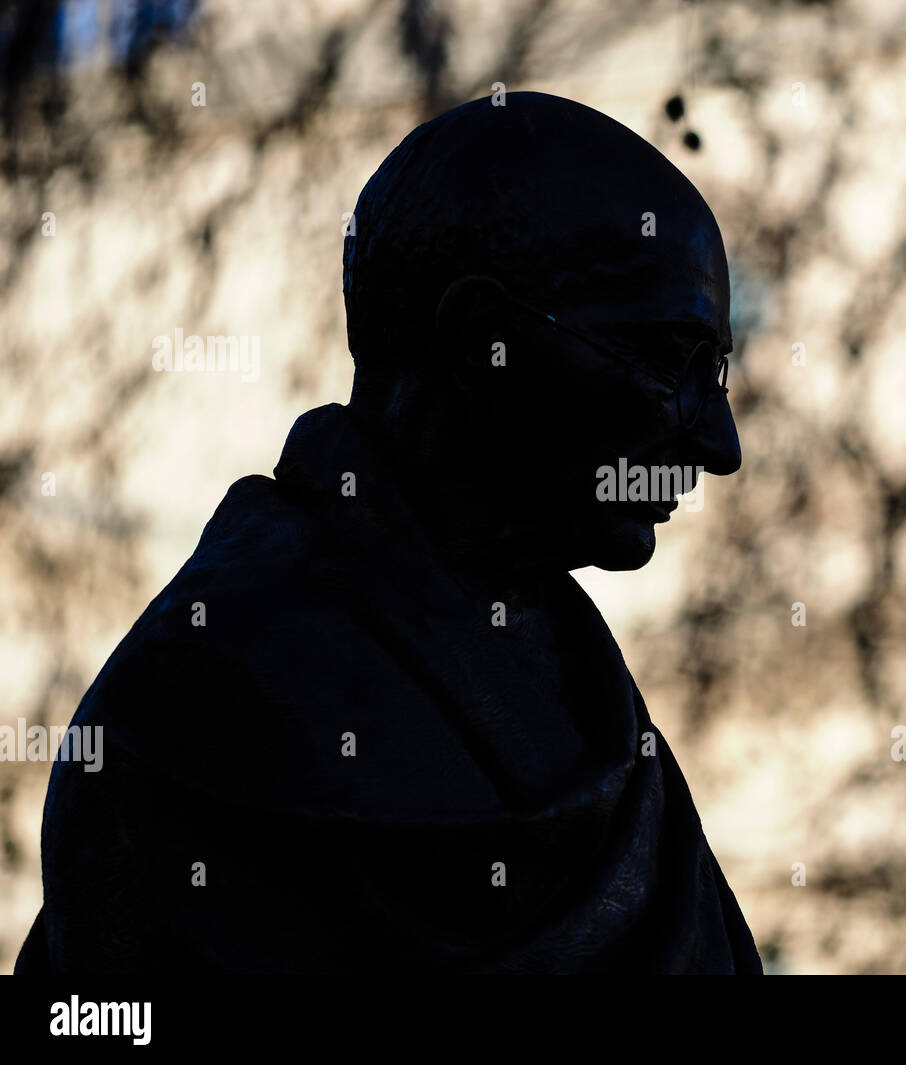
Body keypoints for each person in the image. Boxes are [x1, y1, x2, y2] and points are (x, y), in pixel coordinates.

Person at [16, 91, 761, 974]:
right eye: (669, 361)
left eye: (716, 372)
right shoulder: (208, 692)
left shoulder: (584, 695)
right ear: (486, 346)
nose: (720, 446)